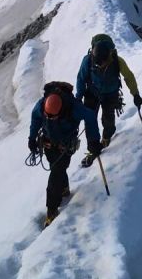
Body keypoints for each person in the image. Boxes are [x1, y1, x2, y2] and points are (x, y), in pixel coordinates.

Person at [29, 81, 102, 227]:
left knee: (57, 172)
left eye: (53, 117)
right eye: (48, 116)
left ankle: (52, 209)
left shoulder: (73, 108)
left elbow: (90, 117)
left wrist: (93, 141)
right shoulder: (42, 105)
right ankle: (64, 189)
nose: (50, 119)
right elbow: (35, 117)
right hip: (49, 142)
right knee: (56, 167)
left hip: (65, 145)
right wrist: (32, 138)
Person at [76, 34, 142, 165]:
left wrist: (136, 94)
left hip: (110, 94)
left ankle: (106, 138)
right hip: (92, 93)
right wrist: (78, 97)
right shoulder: (88, 61)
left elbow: (128, 76)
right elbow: (81, 79)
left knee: (108, 120)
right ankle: (93, 148)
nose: (100, 66)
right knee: (90, 121)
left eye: (103, 63)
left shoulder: (117, 61)